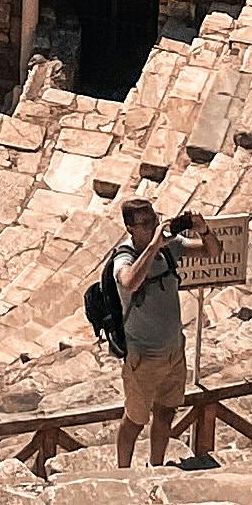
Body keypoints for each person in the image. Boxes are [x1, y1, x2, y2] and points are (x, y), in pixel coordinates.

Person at [105, 194, 187, 469]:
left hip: (174, 351)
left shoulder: (168, 247)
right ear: (130, 227)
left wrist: (202, 228)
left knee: (166, 414)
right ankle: (122, 472)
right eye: (147, 222)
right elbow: (128, 282)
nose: (154, 225)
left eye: (154, 218)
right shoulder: (124, 256)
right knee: (135, 420)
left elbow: (211, 251)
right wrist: (153, 246)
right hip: (144, 357)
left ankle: (157, 467)